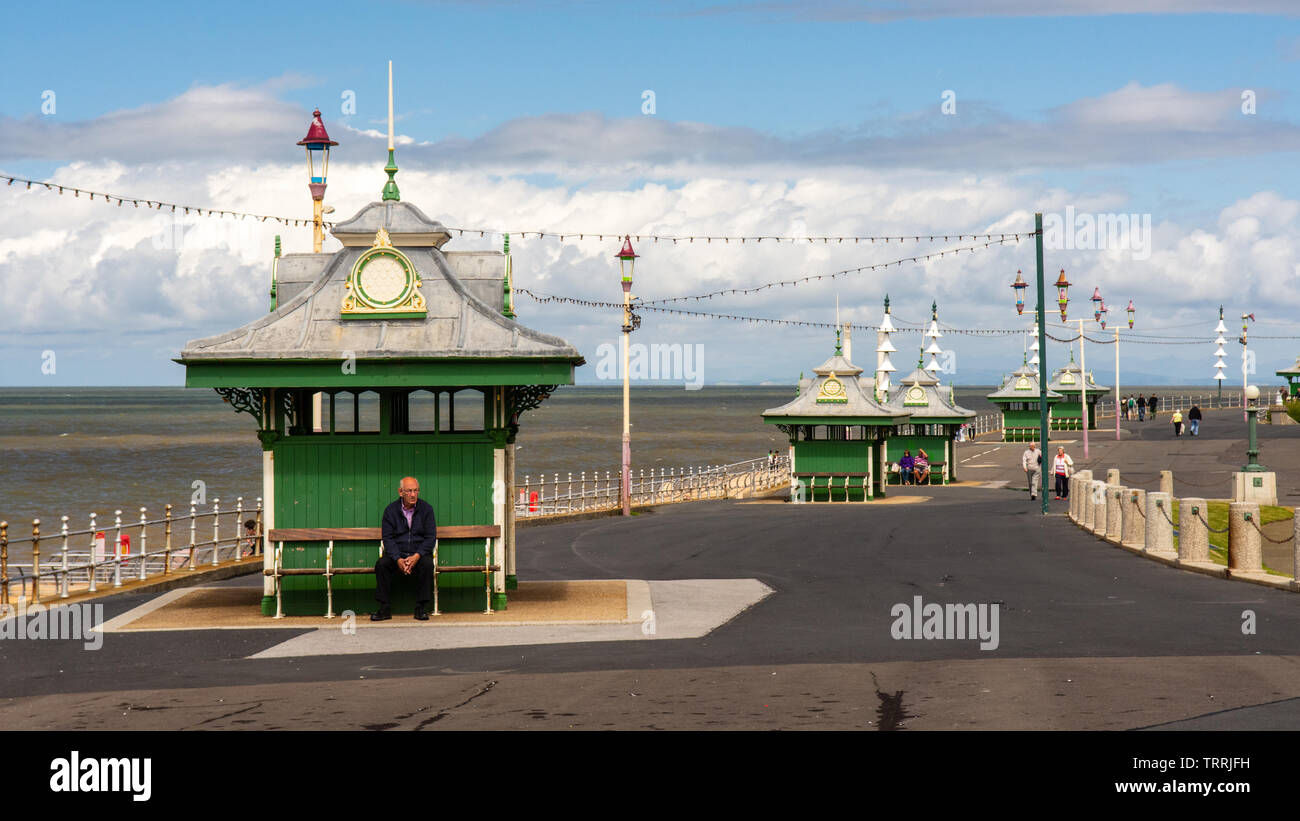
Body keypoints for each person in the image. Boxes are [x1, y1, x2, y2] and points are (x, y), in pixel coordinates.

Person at [373, 476, 438, 621]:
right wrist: (397, 559)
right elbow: (388, 538)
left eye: (416, 490)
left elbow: (430, 537)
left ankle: (421, 608)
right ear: (400, 492)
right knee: (382, 565)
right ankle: (384, 608)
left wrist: (417, 556)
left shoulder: (426, 509)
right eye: (409, 491)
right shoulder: (390, 510)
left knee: (427, 564)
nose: (413, 494)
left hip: (418, 554)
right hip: (397, 554)